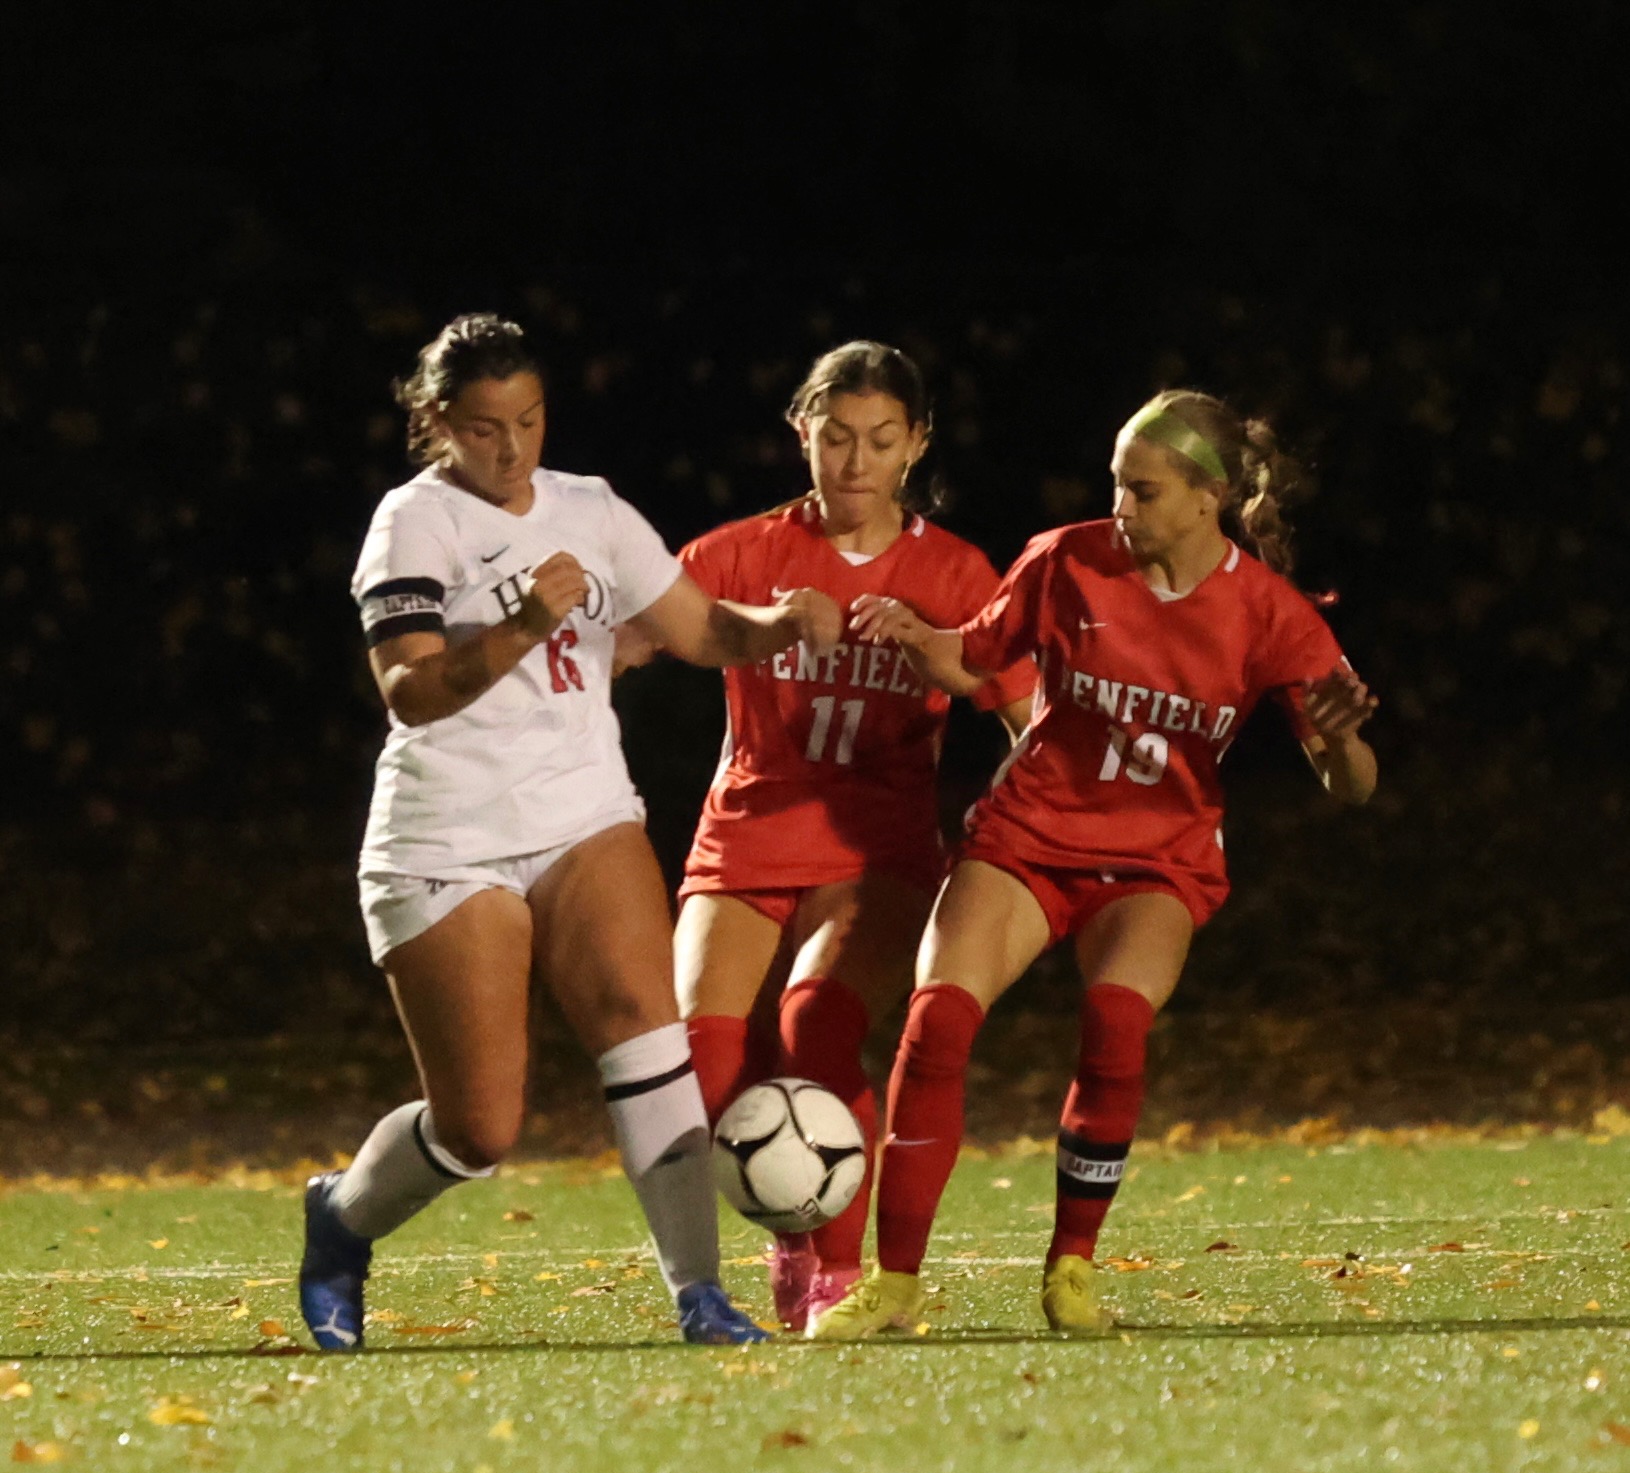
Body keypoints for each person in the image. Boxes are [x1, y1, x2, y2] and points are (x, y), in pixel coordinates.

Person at [299, 313, 842, 1350]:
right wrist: (517, 628)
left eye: (530, 421)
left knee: (648, 1029)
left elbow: (702, 628)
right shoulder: (411, 525)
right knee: (479, 1127)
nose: (512, 449)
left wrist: (778, 625)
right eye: (484, 428)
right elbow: (410, 691)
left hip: (580, 812)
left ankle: (699, 1293)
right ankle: (340, 1219)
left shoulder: (589, 509)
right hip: (444, 837)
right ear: (435, 423)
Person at [810, 388, 1379, 1338]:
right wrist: (922, 641)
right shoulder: (1065, 557)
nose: (1122, 506)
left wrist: (1340, 743)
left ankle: (1070, 1268)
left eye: (1144, 491)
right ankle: (895, 1283)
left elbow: (1350, 783)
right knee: (938, 1019)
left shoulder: (1270, 613)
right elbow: (980, 658)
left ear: (1210, 499)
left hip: (1157, 863)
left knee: (1116, 1022)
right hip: (1029, 835)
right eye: (1117, 483)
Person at [627, 341, 1034, 1331]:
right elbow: (631, 641)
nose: (856, 460)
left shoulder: (953, 570)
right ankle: (785, 1215)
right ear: (800, 432)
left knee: (816, 1028)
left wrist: (947, 665)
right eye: (837, 437)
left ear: (915, 446)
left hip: (876, 850)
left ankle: (835, 1275)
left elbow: (1025, 710)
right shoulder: (739, 552)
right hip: (747, 834)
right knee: (705, 1058)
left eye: (881, 440)